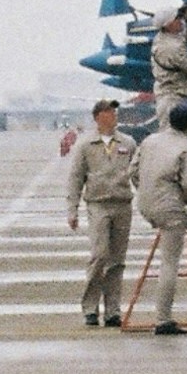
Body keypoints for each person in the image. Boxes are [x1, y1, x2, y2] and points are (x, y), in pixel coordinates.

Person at [134, 99, 187, 332]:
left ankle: (161, 316)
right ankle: (163, 319)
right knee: (169, 263)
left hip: (144, 203)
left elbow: (133, 171)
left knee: (167, 255)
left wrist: (147, 190)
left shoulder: (150, 140)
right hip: (169, 207)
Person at [67, 95, 136, 325]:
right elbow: (76, 178)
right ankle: (90, 308)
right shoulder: (85, 145)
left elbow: (137, 175)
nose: (114, 116)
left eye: (115, 112)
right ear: (98, 117)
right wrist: (72, 210)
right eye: (109, 112)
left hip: (122, 204)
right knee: (99, 256)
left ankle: (113, 310)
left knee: (117, 261)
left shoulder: (128, 143)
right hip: (98, 204)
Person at [151, 9, 187, 128]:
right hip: (173, 103)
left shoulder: (164, 38)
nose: (180, 21)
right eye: (177, 19)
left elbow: (185, 40)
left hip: (172, 99)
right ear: (168, 25)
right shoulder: (173, 48)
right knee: (173, 140)